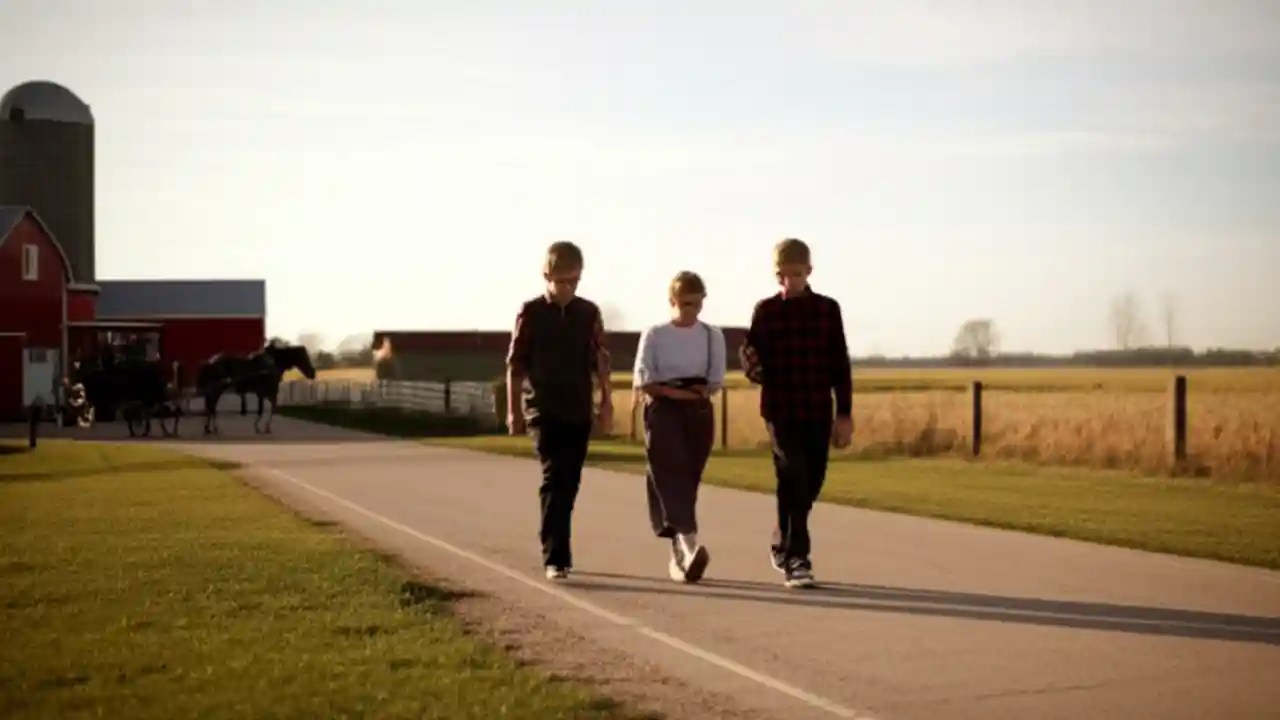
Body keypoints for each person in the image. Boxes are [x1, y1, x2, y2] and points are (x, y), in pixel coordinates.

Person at [740, 238, 853, 589]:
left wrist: (844, 413)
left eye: (797, 274)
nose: (790, 281)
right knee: (793, 474)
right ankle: (798, 559)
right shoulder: (765, 311)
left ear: (809, 272)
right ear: (777, 275)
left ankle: (781, 536)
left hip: (817, 407)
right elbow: (752, 359)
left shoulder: (827, 310)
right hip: (780, 409)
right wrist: (752, 366)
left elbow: (840, 363)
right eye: (783, 275)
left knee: (811, 479)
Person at [505, 241, 614, 581]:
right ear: (547, 277)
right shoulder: (532, 313)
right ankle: (556, 555)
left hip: (578, 408)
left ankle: (557, 547)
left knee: (570, 481)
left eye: (573, 281)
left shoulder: (588, 314)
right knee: (556, 478)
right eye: (561, 281)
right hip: (543, 408)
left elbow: (600, 360)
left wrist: (606, 402)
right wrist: (514, 412)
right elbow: (515, 366)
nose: (567, 288)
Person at [634, 271, 727, 584]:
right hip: (663, 413)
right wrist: (678, 391)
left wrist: (678, 389)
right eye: (687, 304)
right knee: (668, 472)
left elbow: (713, 383)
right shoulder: (656, 335)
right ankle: (689, 543)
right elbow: (647, 382)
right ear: (672, 301)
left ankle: (680, 551)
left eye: (698, 304)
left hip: (698, 414)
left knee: (687, 480)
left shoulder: (712, 337)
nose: (693, 311)